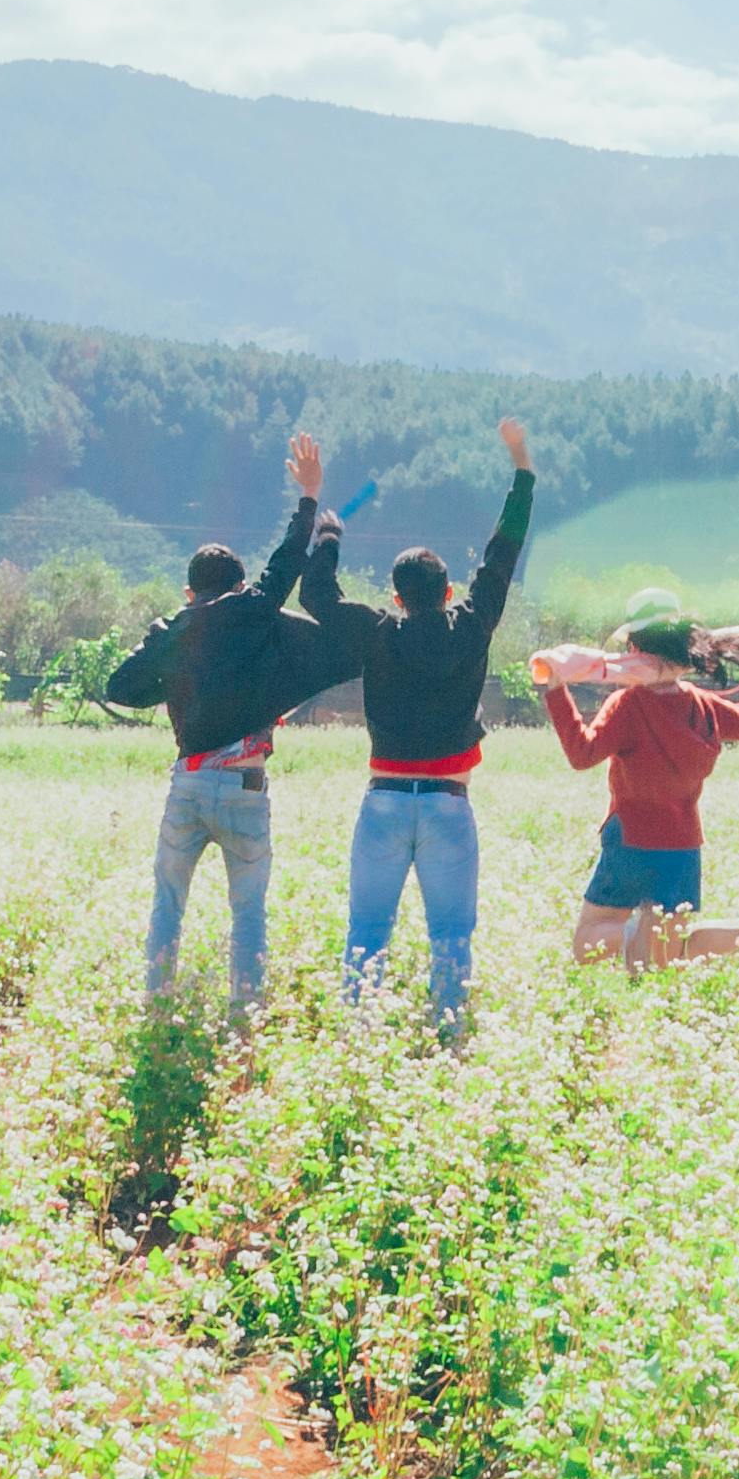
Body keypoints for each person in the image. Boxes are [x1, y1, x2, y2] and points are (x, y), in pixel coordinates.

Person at [297, 416, 535, 1040]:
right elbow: (501, 558)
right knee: (452, 938)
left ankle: (357, 1042)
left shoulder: (376, 631)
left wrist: (326, 525)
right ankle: (450, 1039)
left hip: (382, 803)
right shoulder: (473, 622)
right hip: (450, 807)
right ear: (450, 590)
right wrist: (522, 473)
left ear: (397, 597)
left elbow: (317, 596)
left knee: (367, 935)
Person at [105, 432, 356, 1017]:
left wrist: (168, 643)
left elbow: (121, 686)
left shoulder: (179, 628)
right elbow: (284, 566)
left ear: (190, 590)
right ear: (238, 586)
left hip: (188, 784)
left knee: (168, 903)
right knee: (248, 911)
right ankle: (245, 1017)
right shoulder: (251, 609)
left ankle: (158, 1006)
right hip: (245, 783)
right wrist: (310, 499)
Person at [541, 592, 739, 969]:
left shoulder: (629, 705)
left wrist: (558, 689)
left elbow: (582, 753)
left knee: (589, 942)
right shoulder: (702, 705)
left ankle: (637, 934)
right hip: (683, 844)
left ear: (634, 648)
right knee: (668, 952)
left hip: (631, 836)